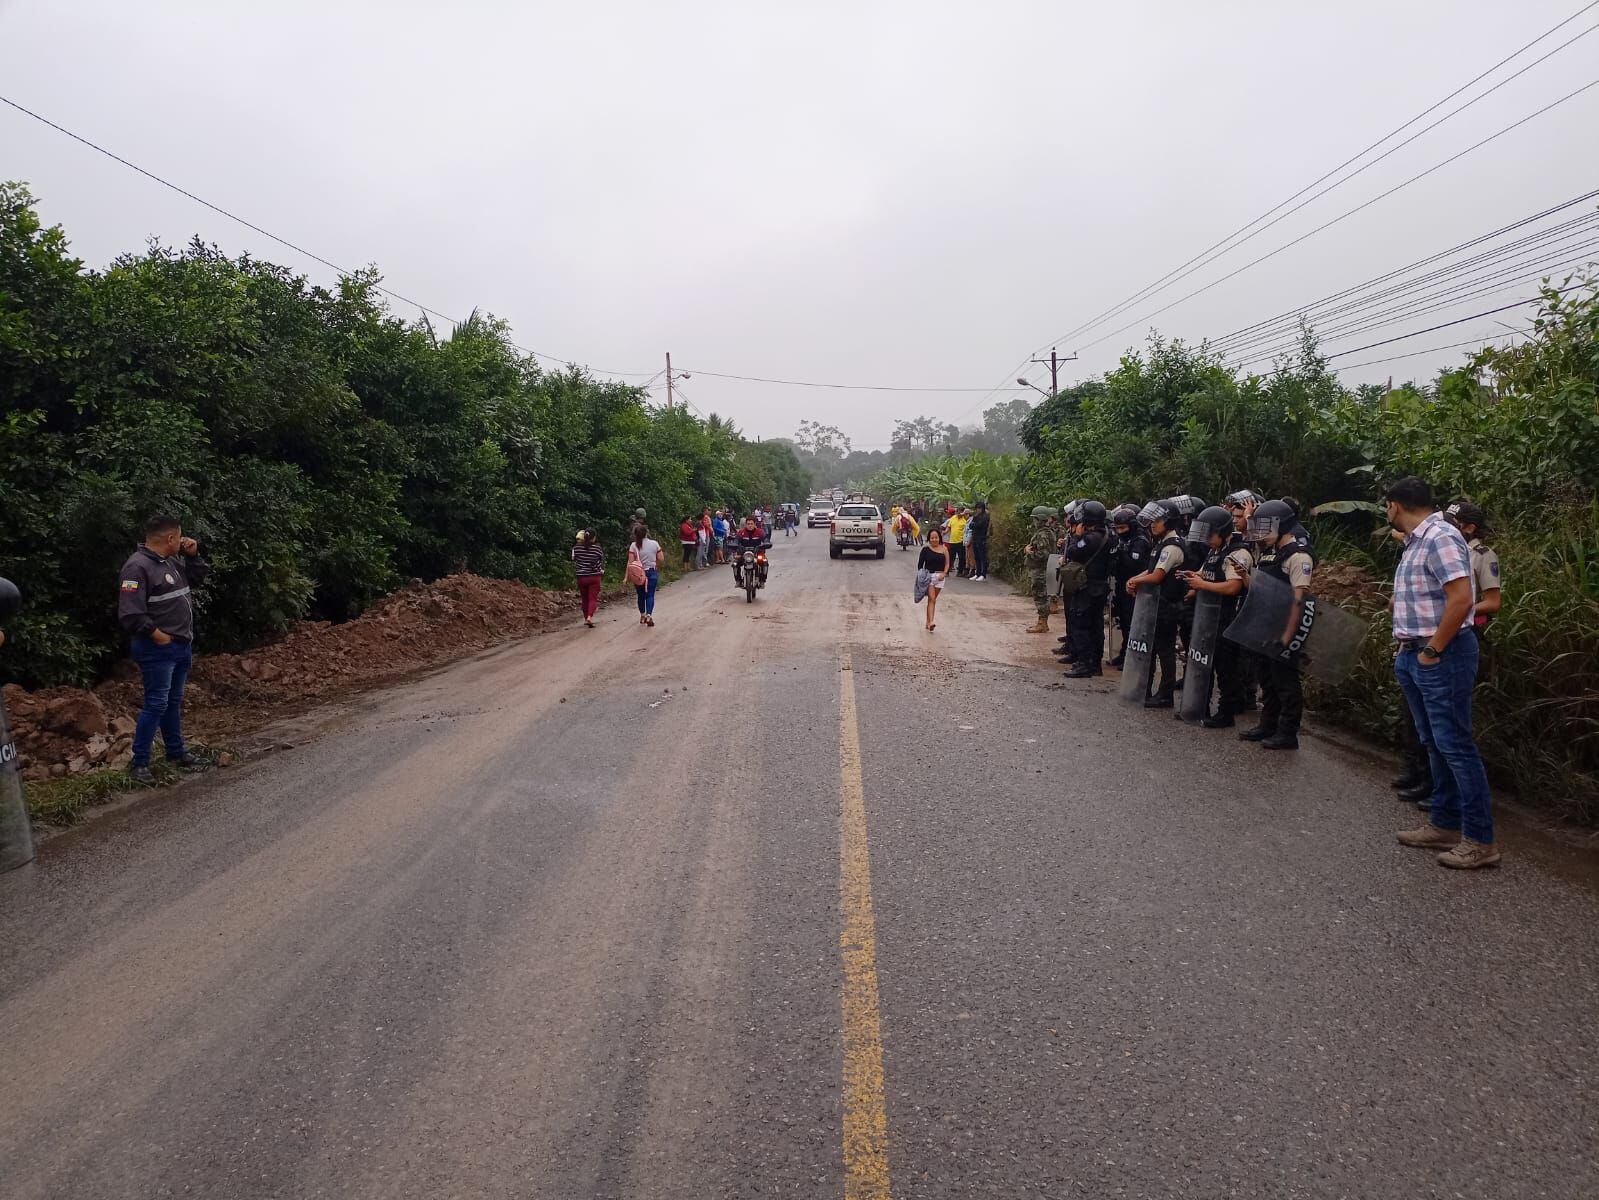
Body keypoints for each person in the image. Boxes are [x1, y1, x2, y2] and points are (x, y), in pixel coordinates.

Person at [1386, 477, 1499, 868]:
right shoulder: (1416, 541)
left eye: (1387, 506)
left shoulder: (1440, 537)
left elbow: (1462, 599)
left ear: (1395, 505)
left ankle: (1480, 840)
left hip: (1442, 654)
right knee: (1434, 741)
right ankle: (1445, 823)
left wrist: (1433, 649)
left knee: (1455, 744)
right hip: (1415, 652)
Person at [117, 515, 212, 785]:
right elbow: (131, 613)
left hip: (180, 645)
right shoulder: (137, 567)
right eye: (179, 537)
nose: (182, 541)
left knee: (172, 701)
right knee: (156, 702)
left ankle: (176, 752)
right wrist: (158, 636)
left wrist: (193, 556)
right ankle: (140, 762)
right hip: (157, 648)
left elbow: (195, 579)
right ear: (170, 538)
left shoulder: (170, 561)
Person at [1238, 499, 1313, 749]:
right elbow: (1260, 589)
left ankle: (1288, 732)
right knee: (1267, 679)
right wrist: (1245, 576)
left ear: (1282, 526)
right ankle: (1267, 725)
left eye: (1266, 526)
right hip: (1266, 625)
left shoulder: (1298, 556)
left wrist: (1287, 637)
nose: (1261, 531)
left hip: (1285, 628)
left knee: (1285, 683)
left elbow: (1299, 600)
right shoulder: (1270, 553)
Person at [1181, 505, 1254, 726]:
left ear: (1222, 532)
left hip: (1229, 618)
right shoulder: (1215, 551)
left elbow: (1233, 587)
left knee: (1226, 668)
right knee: (1206, 663)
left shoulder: (1238, 553)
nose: (1207, 540)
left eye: (1210, 535)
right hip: (1209, 617)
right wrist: (1191, 576)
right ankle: (1200, 706)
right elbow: (1205, 573)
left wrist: (1201, 584)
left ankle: (1226, 713)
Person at [1124, 500, 1186, 708]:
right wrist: (1134, 579)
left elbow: (1157, 575)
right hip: (1156, 604)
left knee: (1165, 650)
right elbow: (1151, 570)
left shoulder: (1172, 546)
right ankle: (1145, 688)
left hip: (1167, 605)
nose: (1153, 524)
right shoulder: (1161, 544)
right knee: (1152, 648)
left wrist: (1136, 581)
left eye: (1157, 520)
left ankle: (1166, 694)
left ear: (1169, 522)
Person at [1060, 501, 1113, 678]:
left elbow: (1073, 552)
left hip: (1088, 587)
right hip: (1099, 587)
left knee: (1081, 624)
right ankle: (1095, 663)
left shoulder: (1091, 538)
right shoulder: (1107, 535)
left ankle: (1085, 663)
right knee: (1095, 626)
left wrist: (1077, 536)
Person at [1105, 503, 1149, 668]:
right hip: (1121, 586)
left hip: (1135, 588)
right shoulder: (1123, 540)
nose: (1119, 531)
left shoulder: (1140, 541)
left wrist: (1121, 552)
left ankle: (1131, 658)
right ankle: (1124, 653)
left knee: (1132, 623)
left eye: (1123, 528)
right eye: (1117, 528)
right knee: (1123, 622)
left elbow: (1134, 565)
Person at [1024, 506, 1058, 634]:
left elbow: (1043, 554)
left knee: (1040, 596)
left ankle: (1042, 623)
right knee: (1042, 595)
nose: (1034, 522)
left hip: (1041, 570)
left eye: (1035, 519)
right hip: (1043, 569)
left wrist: (1029, 552)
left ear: (1039, 519)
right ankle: (1042, 622)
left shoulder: (1043, 534)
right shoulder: (1048, 532)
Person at [628, 524, 664, 627]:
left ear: (635, 534)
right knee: (650, 595)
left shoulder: (633, 546)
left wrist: (628, 576)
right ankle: (649, 615)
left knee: (641, 595)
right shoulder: (654, 544)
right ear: (646, 533)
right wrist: (655, 564)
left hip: (638, 574)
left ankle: (642, 615)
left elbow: (631, 562)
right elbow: (661, 558)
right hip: (651, 572)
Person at [919, 528, 951, 632]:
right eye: (932, 538)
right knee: (932, 599)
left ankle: (927, 622)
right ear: (929, 539)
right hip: (929, 577)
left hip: (940, 577)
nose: (934, 539)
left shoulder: (944, 549)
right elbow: (920, 565)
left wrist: (944, 573)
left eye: (936, 537)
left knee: (932, 600)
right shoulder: (925, 550)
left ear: (939, 538)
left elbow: (947, 564)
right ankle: (931, 622)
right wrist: (922, 577)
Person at [571, 530, 605, 627]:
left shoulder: (576, 548)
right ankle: (589, 617)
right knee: (592, 599)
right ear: (593, 538)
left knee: (584, 599)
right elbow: (601, 559)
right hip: (594, 576)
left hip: (581, 577)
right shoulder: (597, 548)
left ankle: (586, 618)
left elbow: (573, 558)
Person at [731, 516, 768, 589]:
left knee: (765, 562)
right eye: (748, 524)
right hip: (743, 554)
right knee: (735, 564)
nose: (750, 525)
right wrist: (734, 544)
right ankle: (738, 580)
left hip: (757, 553)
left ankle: (762, 581)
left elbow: (765, 538)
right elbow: (736, 540)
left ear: (755, 524)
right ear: (746, 524)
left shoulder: (760, 532)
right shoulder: (741, 532)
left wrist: (766, 542)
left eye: (751, 524)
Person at [968, 500, 991, 581]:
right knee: (976, 556)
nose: (978, 510)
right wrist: (975, 524)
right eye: (977, 508)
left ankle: (983, 574)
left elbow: (980, 525)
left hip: (982, 538)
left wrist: (975, 524)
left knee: (982, 557)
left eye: (979, 508)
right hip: (975, 538)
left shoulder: (985, 516)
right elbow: (971, 526)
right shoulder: (976, 516)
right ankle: (977, 573)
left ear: (982, 508)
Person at [947, 507, 969, 577]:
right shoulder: (953, 518)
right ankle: (947, 571)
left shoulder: (965, 519)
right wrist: (944, 532)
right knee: (950, 557)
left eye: (960, 512)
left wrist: (964, 514)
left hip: (961, 541)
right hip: (952, 541)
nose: (958, 513)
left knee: (961, 557)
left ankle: (960, 572)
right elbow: (949, 527)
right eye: (957, 512)